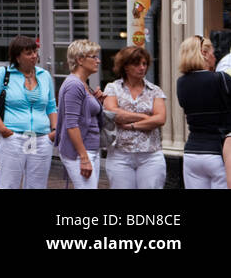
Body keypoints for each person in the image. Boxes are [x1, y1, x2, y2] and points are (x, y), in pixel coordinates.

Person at [0, 35, 56, 189]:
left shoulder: (44, 75)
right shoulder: (4, 73)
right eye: (28, 53)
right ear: (17, 57)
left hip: (40, 138)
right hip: (13, 138)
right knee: (9, 185)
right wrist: (2, 128)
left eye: (35, 52)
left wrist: (54, 131)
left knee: (37, 186)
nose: (34, 56)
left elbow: (51, 105)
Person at [102, 45, 167, 189]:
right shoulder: (112, 88)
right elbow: (113, 113)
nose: (142, 67)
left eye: (144, 64)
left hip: (150, 155)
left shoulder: (155, 90)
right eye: (137, 64)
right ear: (125, 66)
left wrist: (131, 125)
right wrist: (144, 117)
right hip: (120, 154)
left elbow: (160, 119)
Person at [175, 35, 231, 189]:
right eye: (213, 52)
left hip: (192, 152)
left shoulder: (181, 83)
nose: (215, 57)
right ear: (204, 54)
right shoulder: (221, 79)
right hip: (219, 153)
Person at [58, 39, 105, 189]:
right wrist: (83, 157)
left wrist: (96, 102)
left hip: (90, 148)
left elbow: (85, 115)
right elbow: (71, 124)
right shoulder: (74, 85)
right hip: (81, 152)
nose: (98, 61)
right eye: (94, 57)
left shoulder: (83, 84)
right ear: (80, 60)